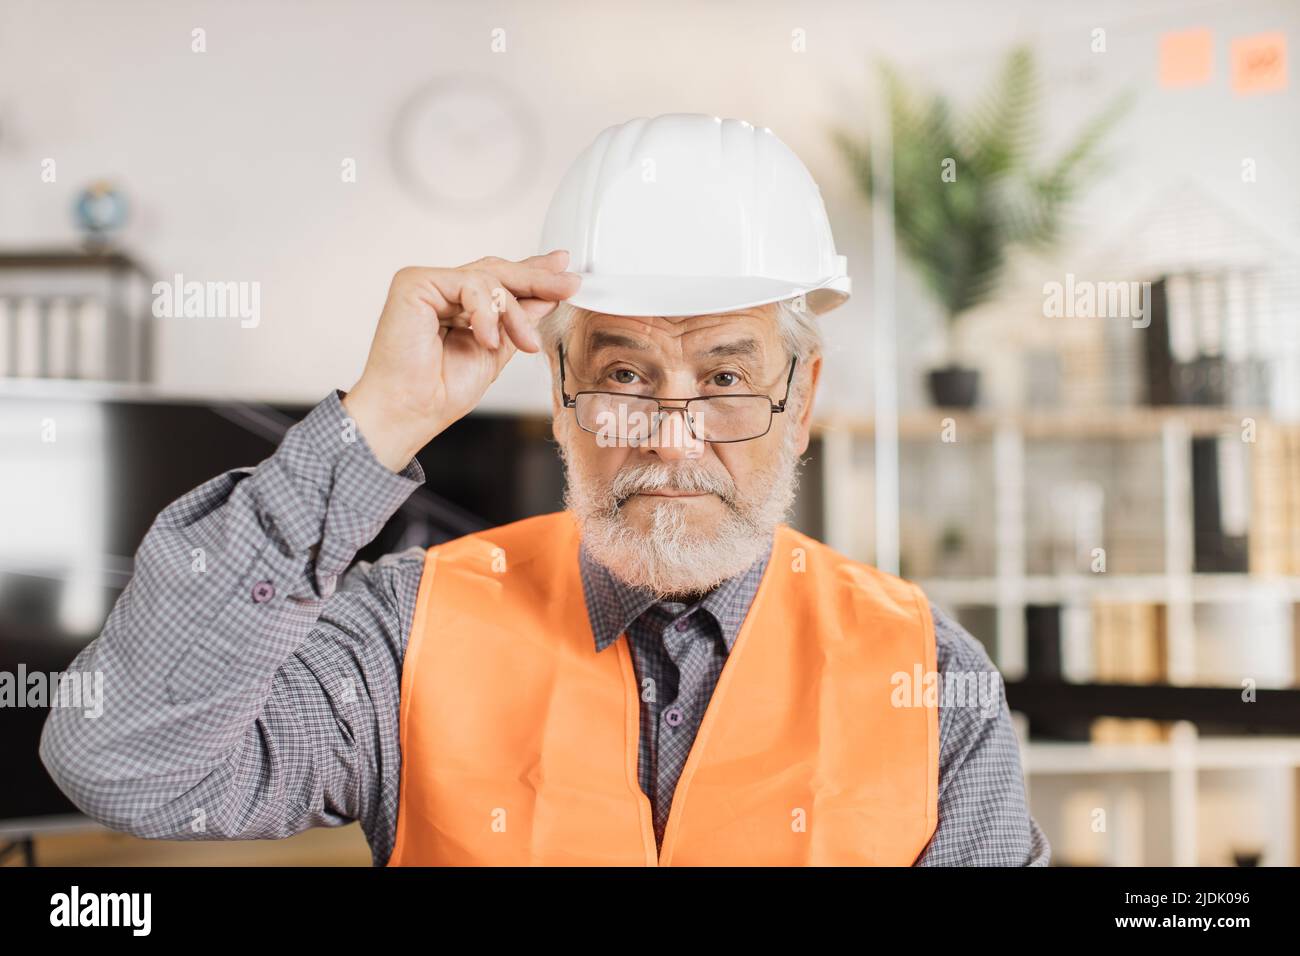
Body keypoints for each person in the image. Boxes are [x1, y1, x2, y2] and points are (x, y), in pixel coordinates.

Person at [40, 114, 1049, 866]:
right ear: (561, 400)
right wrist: (376, 419)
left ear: (803, 397)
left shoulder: (928, 673)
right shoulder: (406, 630)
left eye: (729, 378)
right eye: (622, 375)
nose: (671, 434)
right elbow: (123, 758)